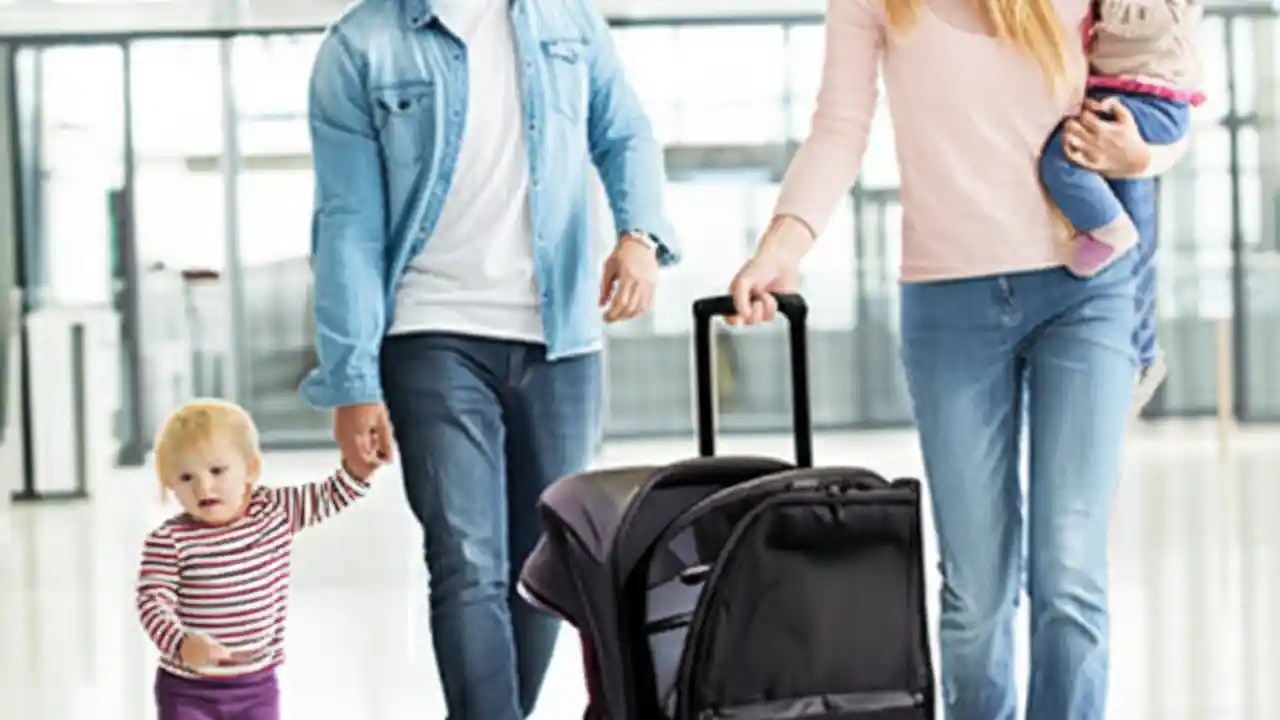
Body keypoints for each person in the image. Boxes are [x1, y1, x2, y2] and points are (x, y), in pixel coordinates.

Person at [726, 1, 1184, 718]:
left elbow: (1161, 68)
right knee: (975, 592)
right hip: (948, 303)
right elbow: (840, 127)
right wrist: (779, 249)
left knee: (1068, 573)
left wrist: (1146, 156)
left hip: (1085, 288)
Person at [301, 1, 677, 718]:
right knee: (466, 561)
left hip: (561, 333)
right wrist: (352, 378)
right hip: (429, 329)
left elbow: (625, 132)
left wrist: (640, 235)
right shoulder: (360, 46)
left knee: (548, 563)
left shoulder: (569, 22)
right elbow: (346, 221)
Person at [136, 400, 378, 720]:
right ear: (170, 485)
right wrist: (180, 643)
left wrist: (359, 470)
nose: (203, 487)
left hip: (256, 686)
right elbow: (152, 602)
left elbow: (329, 495)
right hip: (187, 689)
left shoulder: (275, 511)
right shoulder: (170, 541)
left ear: (250, 468)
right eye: (186, 478)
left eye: (217, 471)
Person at [1040, 0, 1204, 411]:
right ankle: (1143, 352)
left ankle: (1139, 350)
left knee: (1075, 170)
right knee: (1135, 238)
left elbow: (1138, 21)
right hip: (1118, 93)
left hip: (1148, 100)